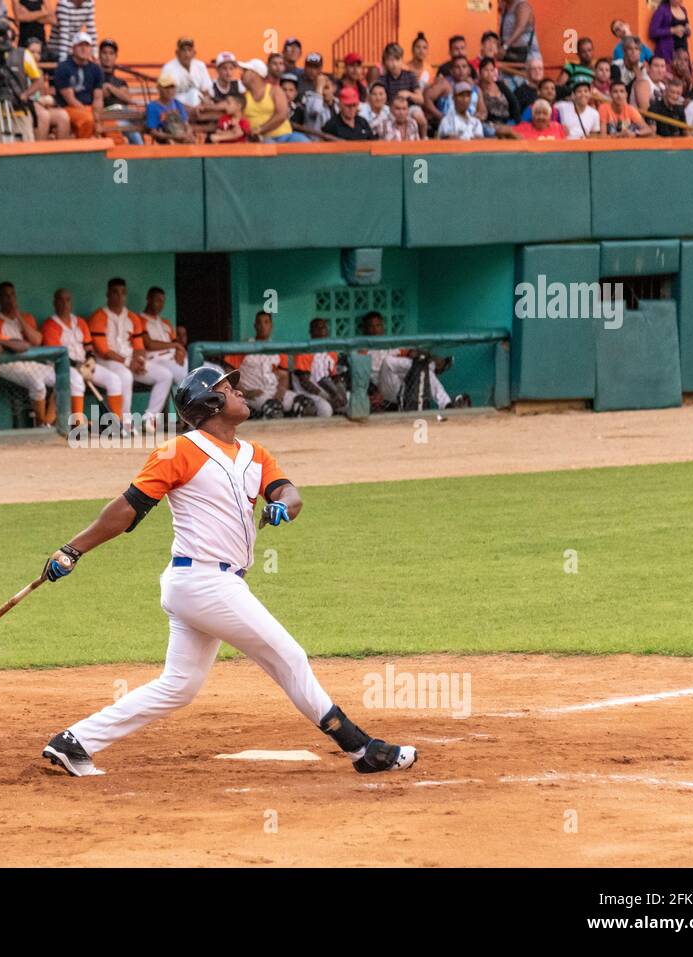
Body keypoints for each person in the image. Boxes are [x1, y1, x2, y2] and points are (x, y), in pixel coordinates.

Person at [38, 366, 417, 779]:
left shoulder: (256, 454)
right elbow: (128, 508)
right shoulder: (178, 452)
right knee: (288, 657)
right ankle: (362, 748)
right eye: (227, 387)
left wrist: (282, 506)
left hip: (209, 585)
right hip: (203, 582)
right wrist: (73, 549)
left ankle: (74, 742)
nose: (238, 391)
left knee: (179, 686)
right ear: (209, 402)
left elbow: (290, 495)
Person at [89, 276, 176, 434]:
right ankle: (125, 421)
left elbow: (139, 346)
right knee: (125, 375)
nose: (120, 296)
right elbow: (104, 350)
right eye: (115, 292)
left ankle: (149, 418)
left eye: (123, 293)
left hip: (130, 361)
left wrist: (140, 360)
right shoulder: (99, 316)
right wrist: (129, 363)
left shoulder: (132, 317)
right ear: (108, 294)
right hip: (106, 362)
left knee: (165, 375)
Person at [41, 287, 123, 425]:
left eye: (68, 300)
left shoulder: (80, 322)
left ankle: (117, 422)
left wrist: (90, 361)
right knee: (77, 380)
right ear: (54, 303)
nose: (65, 303)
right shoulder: (50, 325)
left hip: (84, 364)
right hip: (61, 367)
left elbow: (89, 347)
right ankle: (78, 423)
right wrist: (78, 366)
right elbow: (57, 354)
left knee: (114, 379)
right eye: (61, 300)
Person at [360, 311, 462, 411]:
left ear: (382, 327)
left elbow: (412, 353)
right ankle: (432, 366)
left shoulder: (390, 345)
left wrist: (431, 356)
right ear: (365, 329)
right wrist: (371, 393)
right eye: (371, 326)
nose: (375, 329)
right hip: (383, 390)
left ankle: (446, 404)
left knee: (422, 368)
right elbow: (360, 378)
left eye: (378, 325)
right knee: (388, 361)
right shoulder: (362, 351)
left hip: (401, 385)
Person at [0, 281, 56, 428]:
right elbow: (4, 346)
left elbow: (37, 341)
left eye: (12, 294)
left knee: (66, 378)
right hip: (7, 365)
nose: (10, 298)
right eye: (6, 295)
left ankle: (47, 422)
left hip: (30, 363)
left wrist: (18, 316)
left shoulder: (26, 318)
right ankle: (41, 425)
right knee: (37, 383)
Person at [240, 56, 307, 142]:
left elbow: (282, 114)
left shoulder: (274, 91)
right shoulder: (242, 97)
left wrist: (261, 129)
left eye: (245, 71)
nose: (241, 74)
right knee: (267, 145)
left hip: (285, 136)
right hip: (260, 139)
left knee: (302, 140)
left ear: (255, 74)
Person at [53, 30, 102, 138]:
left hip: (90, 107)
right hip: (69, 108)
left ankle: (118, 153)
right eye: (80, 45)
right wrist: (91, 114)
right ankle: (84, 149)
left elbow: (98, 97)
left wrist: (97, 116)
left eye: (87, 46)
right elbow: (70, 99)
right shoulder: (64, 67)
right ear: (73, 48)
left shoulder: (96, 69)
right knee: (87, 120)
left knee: (110, 123)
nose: (84, 49)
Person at [292, 318, 344, 417]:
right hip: (308, 394)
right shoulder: (304, 351)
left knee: (349, 401)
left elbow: (334, 377)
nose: (321, 330)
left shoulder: (331, 352)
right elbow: (304, 382)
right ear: (310, 332)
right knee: (326, 410)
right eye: (317, 328)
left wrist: (339, 392)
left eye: (323, 327)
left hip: (327, 391)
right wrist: (324, 395)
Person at [161, 36, 212, 110]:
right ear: (177, 53)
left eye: (189, 50)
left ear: (194, 53)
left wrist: (206, 101)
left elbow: (206, 91)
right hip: (177, 107)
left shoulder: (200, 66)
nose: (187, 54)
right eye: (183, 50)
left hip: (200, 106)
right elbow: (165, 96)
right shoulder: (168, 68)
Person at [146, 72, 193, 144]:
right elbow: (153, 131)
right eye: (166, 87)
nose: (170, 90)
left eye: (172, 87)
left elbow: (186, 124)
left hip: (181, 135)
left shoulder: (178, 103)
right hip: (166, 139)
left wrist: (187, 134)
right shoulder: (152, 106)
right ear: (159, 89)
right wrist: (172, 137)